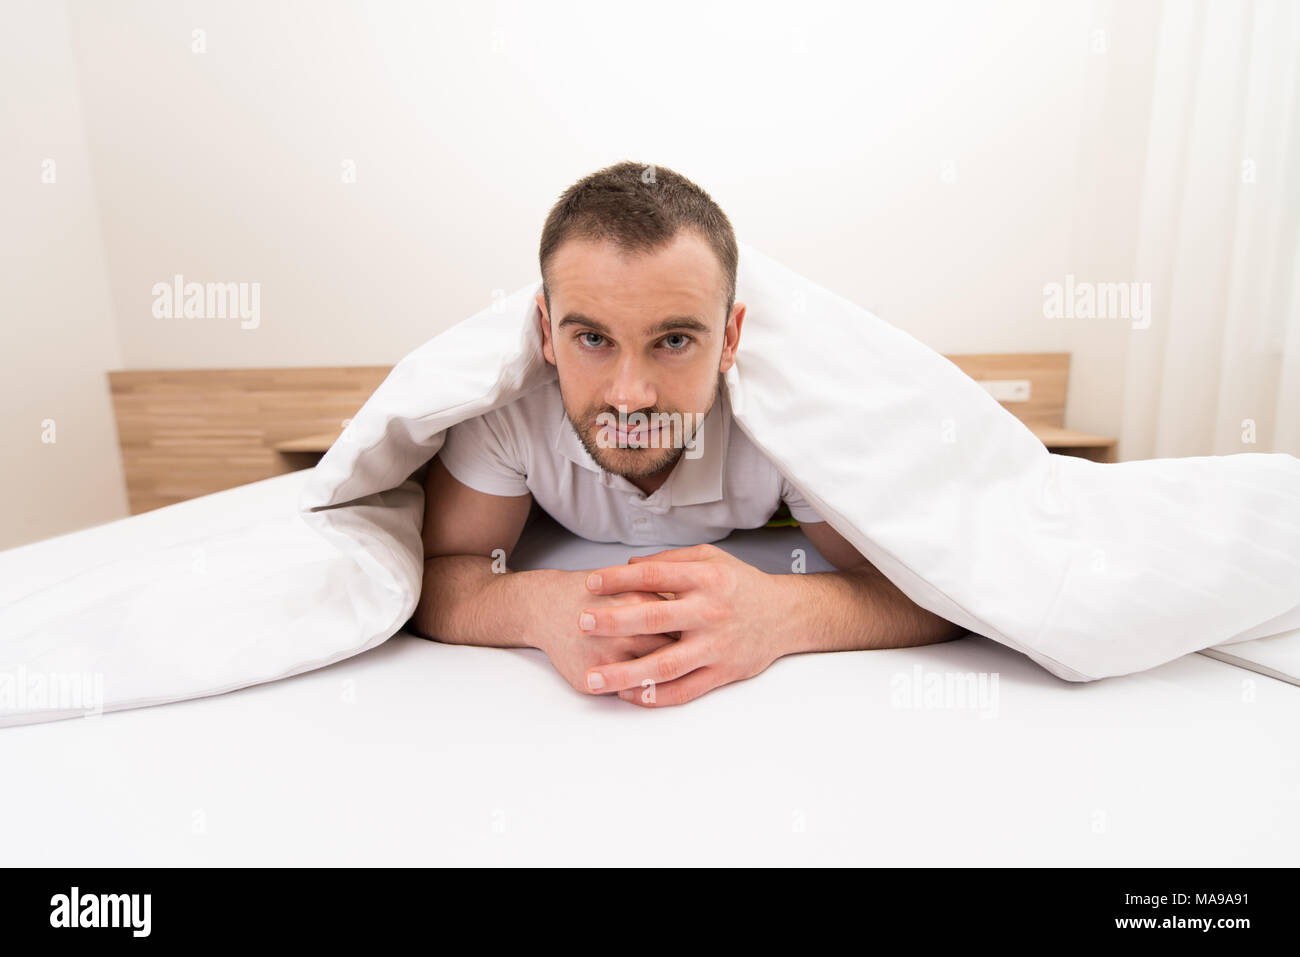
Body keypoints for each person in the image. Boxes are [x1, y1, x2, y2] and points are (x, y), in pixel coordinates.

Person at [411, 161, 965, 707]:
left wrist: (780, 612)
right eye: (592, 339)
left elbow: (943, 590)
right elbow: (439, 574)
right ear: (544, 333)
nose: (629, 397)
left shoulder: (788, 423)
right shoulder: (505, 415)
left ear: (729, 339)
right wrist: (537, 608)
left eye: (674, 340)